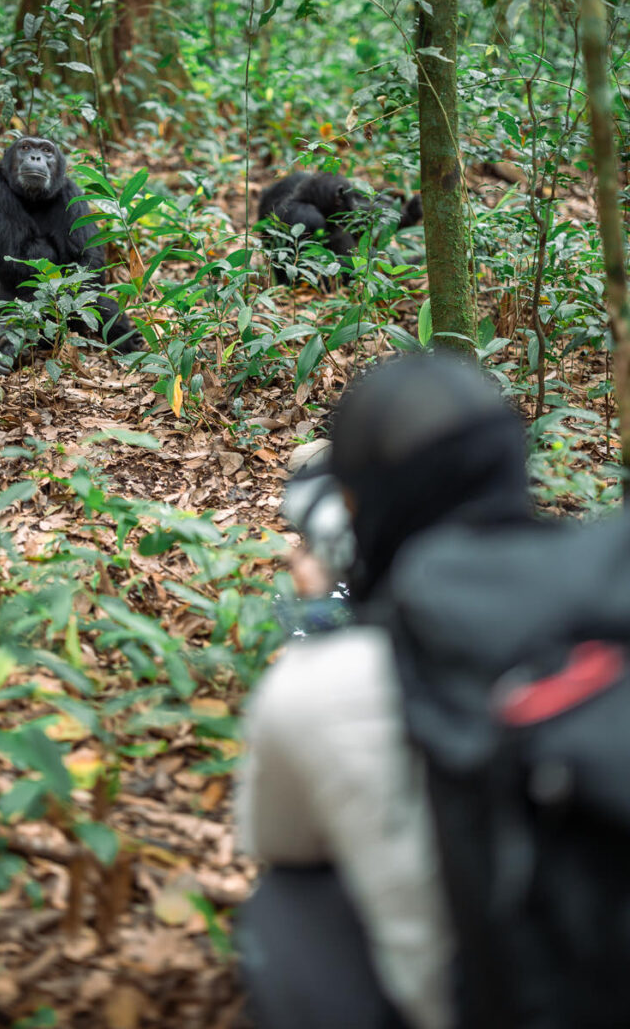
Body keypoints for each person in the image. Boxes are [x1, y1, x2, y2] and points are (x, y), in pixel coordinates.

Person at [236, 353, 532, 1029]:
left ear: (354, 508)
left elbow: (274, 837)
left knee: (288, 900)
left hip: (474, 1003)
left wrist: (323, 622)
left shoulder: (326, 685)